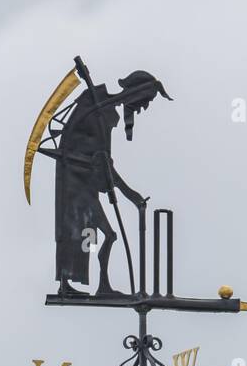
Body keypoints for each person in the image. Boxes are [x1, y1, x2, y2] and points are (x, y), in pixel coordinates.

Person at [51, 71, 170, 296]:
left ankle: (89, 285)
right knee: (89, 232)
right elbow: (102, 161)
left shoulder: (104, 109)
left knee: (97, 234)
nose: (144, 107)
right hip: (77, 184)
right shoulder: (99, 107)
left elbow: (103, 161)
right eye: (145, 100)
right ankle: (78, 284)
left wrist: (126, 191)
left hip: (84, 182)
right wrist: (129, 194)